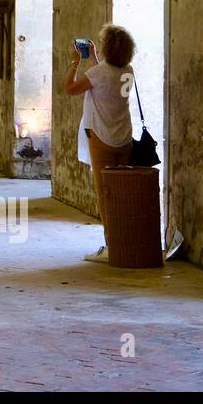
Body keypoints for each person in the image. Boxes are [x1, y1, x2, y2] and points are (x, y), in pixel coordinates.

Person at [63, 23, 136, 263]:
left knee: (106, 195)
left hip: (102, 138)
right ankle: (126, 241)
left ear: (108, 47)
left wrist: (76, 61)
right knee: (122, 192)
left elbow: (70, 89)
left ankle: (112, 247)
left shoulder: (98, 73)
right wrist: (94, 59)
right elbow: (106, 83)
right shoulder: (128, 71)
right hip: (124, 138)